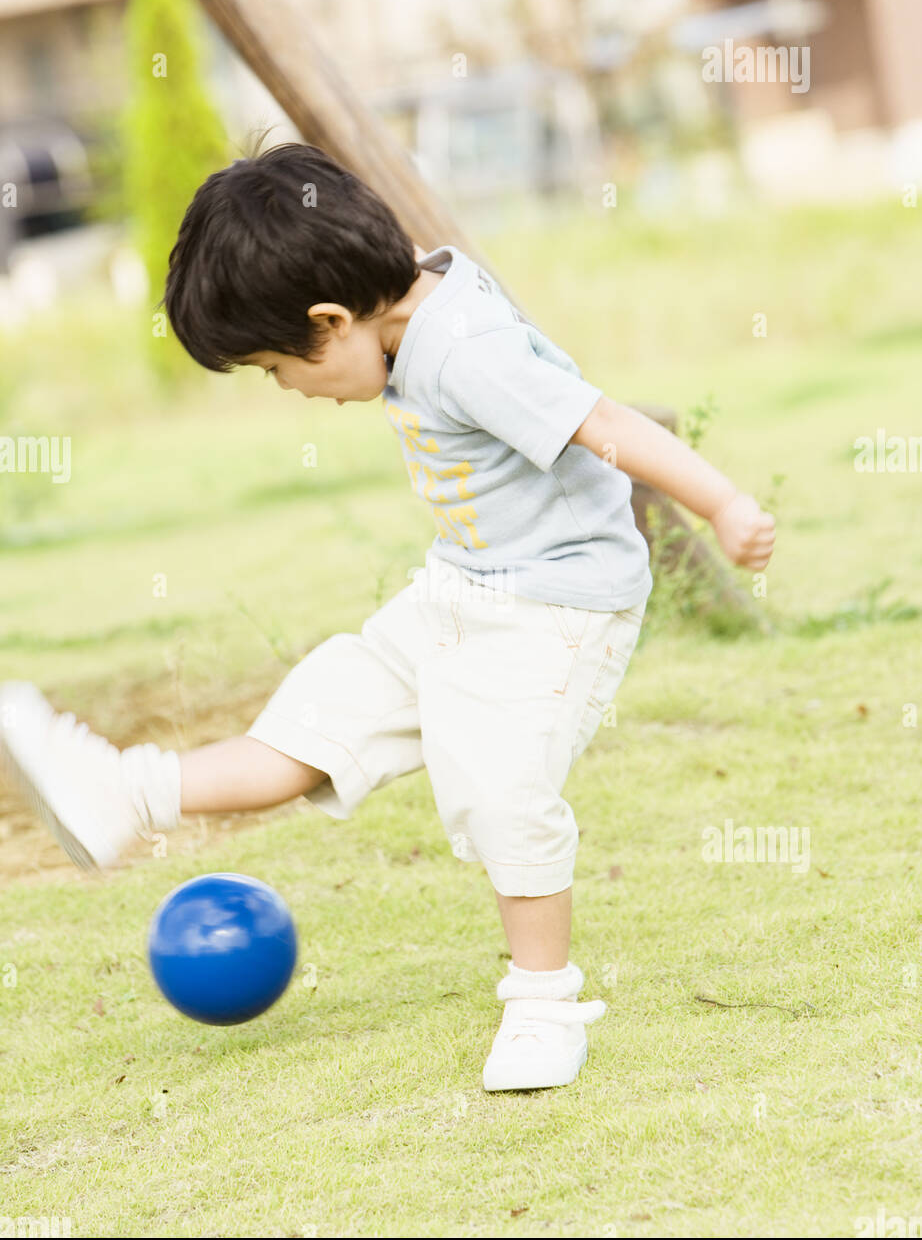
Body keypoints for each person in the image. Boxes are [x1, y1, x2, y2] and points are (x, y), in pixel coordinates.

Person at [0, 143, 775, 1092]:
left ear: (331, 322)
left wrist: (724, 503)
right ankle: (123, 792)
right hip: (459, 589)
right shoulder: (408, 313)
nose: (289, 390)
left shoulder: (466, 351)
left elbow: (605, 423)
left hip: (556, 606)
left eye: (280, 367)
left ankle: (544, 1003)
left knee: (501, 793)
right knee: (319, 716)